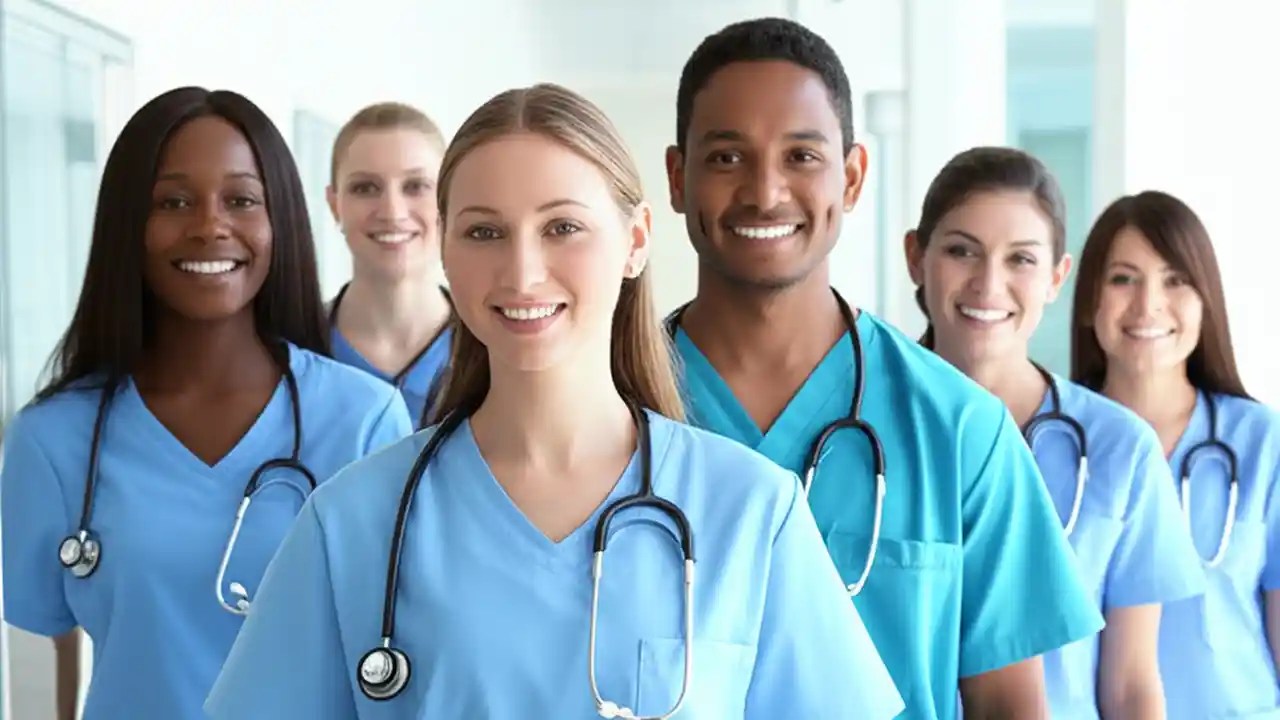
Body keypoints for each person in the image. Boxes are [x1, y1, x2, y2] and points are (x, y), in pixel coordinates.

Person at [203, 82, 905, 719]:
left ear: (634, 242)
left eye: (562, 227)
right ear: (444, 248)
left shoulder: (753, 511)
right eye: (484, 232)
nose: (522, 270)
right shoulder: (351, 521)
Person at [663, 18, 1104, 718]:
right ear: (678, 179)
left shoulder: (961, 430)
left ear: (854, 175)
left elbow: (1010, 705)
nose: (765, 191)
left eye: (802, 156)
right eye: (726, 157)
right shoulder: (614, 408)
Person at [0, 87, 413, 720]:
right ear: (126, 224)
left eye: (242, 200)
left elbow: (397, 657)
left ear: (280, 222)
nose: (209, 225)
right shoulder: (54, 438)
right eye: (173, 201)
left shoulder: (364, 421)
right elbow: (35, 653)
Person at [904, 147, 1205, 718]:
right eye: (962, 250)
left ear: (1057, 277)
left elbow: (1132, 687)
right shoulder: (860, 428)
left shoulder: (1120, 449)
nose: (988, 284)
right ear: (916, 258)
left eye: (1020, 259)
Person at [1071, 190, 1280, 719]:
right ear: (1088, 297)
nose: (1148, 305)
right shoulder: (1050, 441)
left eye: (1175, 280)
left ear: (1205, 297)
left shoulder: (1261, 443)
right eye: (1123, 278)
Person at [326, 102, 454, 428]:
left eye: (415, 186)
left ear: (448, 199)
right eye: (365, 188)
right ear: (334, 204)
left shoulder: (493, 351)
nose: (393, 211)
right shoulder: (290, 349)